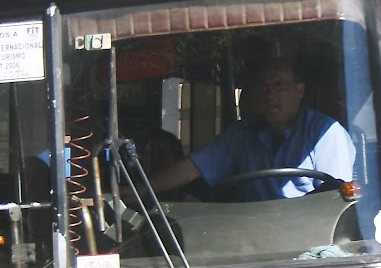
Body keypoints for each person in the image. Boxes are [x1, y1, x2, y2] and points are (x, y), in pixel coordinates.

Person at [147, 58, 354, 201]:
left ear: (299, 90)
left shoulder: (326, 133)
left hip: (310, 242)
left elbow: (333, 197)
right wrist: (136, 191)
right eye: (264, 87)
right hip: (252, 239)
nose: (269, 95)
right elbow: (192, 168)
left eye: (278, 86)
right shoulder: (243, 134)